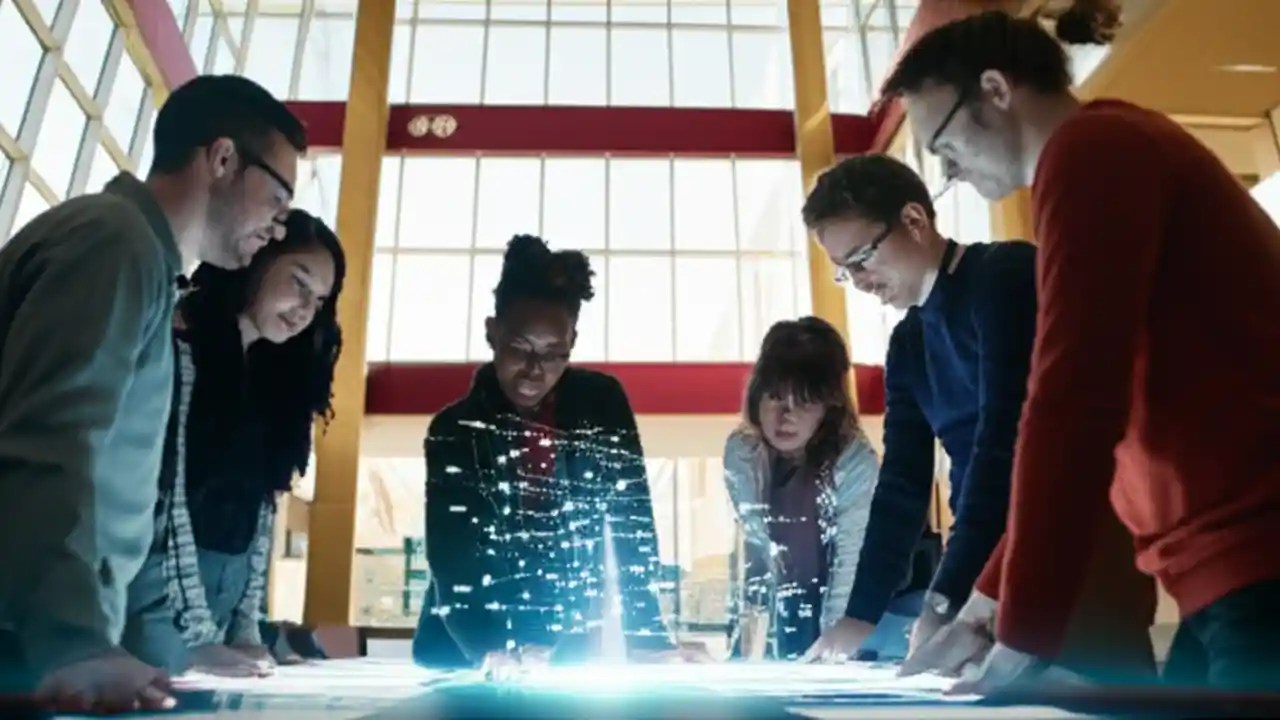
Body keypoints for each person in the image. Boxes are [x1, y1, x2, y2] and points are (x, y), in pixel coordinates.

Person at [881, 9, 1280, 692]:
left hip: (1256, 550)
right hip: (1226, 564)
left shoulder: (1092, 150)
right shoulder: (1104, 151)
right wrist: (988, 603)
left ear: (995, 89)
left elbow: (1073, 398)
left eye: (944, 145)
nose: (948, 170)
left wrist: (1022, 634)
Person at [0, 75, 303, 713]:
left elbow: (127, 502)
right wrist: (74, 643)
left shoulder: (148, 269)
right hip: (29, 650)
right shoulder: (112, 244)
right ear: (223, 160)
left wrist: (175, 652)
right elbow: (48, 448)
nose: (278, 229)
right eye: (277, 199)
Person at [799, 153, 1155, 683]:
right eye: (843, 270)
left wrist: (945, 597)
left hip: (1069, 543)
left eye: (862, 258)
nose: (859, 281)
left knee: (1098, 697)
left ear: (914, 221)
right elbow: (901, 485)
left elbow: (1003, 445)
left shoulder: (1005, 279)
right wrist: (860, 615)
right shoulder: (909, 343)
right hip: (987, 559)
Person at [414, 235, 684, 676]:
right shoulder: (454, 430)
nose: (534, 371)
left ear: (572, 341)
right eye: (519, 349)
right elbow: (454, 554)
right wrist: (490, 648)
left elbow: (632, 523)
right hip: (464, 648)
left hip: (564, 646)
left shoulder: (602, 404)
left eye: (553, 353)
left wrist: (648, 636)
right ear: (492, 333)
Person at [121, 210, 343, 679]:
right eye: (299, 282)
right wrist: (196, 639)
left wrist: (246, 629)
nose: (306, 309)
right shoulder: (176, 350)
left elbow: (260, 522)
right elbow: (163, 507)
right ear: (256, 261)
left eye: (320, 300)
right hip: (149, 622)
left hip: (212, 623)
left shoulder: (270, 381)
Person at [724, 316, 931, 662]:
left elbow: (851, 562)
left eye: (804, 402)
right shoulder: (743, 452)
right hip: (791, 605)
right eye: (775, 398)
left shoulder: (854, 462)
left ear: (829, 407)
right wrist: (746, 646)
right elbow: (756, 555)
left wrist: (833, 650)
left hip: (869, 611)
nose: (785, 416)